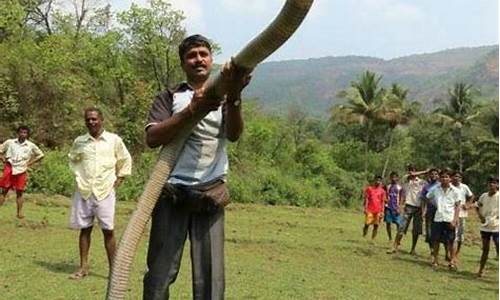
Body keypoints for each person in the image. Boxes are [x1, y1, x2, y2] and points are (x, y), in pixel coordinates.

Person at [142, 34, 252, 299]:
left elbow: (234, 134)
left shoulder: (225, 96)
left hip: (210, 196)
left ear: (211, 60)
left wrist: (235, 95)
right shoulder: (170, 96)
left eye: (203, 53)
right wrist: (191, 110)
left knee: (211, 280)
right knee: (159, 275)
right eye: (192, 55)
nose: (198, 59)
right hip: (172, 194)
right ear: (183, 63)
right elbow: (152, 138)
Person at [68, 108, 132, 280]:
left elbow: (125, 159)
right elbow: (72, 159)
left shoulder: (114, 140)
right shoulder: (80, 141)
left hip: (105, 191)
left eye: (94, 119)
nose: (91, 122)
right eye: (88, 119)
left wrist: (119, 179)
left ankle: (114, 271)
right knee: (85, 229)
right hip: (85, 191)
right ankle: (83, 268)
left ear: (102, 120)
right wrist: (79, 176)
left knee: (108, 231)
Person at [0, 125, 44, 219]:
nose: (23, 134)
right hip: (10, 167)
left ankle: (19, 213)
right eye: (21, 132)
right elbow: (0, 150)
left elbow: (40, 155)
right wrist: (2, 158)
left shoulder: (30, 145)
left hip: (21, 169)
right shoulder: (10, 142)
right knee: (4, 190)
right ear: (18, 133)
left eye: (25, 133)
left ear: (27, 135)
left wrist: (29, 163)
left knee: (20, 192)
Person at [388, 165, 427, 254]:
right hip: (408, 206)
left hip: (418, 208)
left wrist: (424, 210)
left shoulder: (422, 182)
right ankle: (395, 247)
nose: (411, 172)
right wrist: (425, 171)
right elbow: (410, 175)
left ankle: (413, 249)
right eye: (410, 170)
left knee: (416, 230)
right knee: (401, 228)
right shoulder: (406, 179)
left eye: (413, 170)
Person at [426, 169, 460, 269]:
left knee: (451, 241)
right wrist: (436, 205)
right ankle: (435, 260)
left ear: (450, 178)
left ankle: (452, 261)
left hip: (450, 218)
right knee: (435, 240)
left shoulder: (455, 191)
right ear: (440, 178)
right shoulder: (435, 189)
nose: (444, 179)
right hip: (438, 218)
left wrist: (455, 219)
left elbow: (457, 206)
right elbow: (427, 197)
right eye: (442, 177)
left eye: (447, 177)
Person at [476, 176, 499, 277]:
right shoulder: (484, 196)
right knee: (485, 249)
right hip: (485, 225)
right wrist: (480, 216)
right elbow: (478, 206)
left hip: (496, 225)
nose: (492, 185)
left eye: (494, 183)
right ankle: (481, 269)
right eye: (490, 183)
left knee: (498, 244)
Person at [451, 171, 474, 259]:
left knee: (460, 235)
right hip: (451, 214)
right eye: (455, 176)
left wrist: (468, 204)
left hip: (462, 214)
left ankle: (457, 253)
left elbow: (471, 196)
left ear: (461, 179)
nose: (457, 178)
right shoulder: (450, 186)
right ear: (452, 177)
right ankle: (450, 254)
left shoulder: (464, 187)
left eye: (459, 177)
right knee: (452, 235)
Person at [420, 168, 441, 254]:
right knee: (429, 232)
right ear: (429, 175)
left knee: (438, 232)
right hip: (429, 211)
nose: (434, 176)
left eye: (436, 174)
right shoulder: (426, 187)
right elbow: (423, 200)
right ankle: (432, 249)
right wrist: (423, 211)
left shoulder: (440, 185)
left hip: (439, 211)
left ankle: (440, 251)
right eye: (432, 174)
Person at [363, 175, 386, 240]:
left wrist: (383, 211)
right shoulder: (369, 189)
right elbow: (366, 199)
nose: (378, 182)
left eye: (379, 181)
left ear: (381, 182)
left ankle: (373, 239)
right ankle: (364, 236)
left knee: (376, 225)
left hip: (378, 210)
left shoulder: (382, 191)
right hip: (370, 209)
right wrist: (365, 208)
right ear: (374, 180)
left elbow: (383, 202)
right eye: (377, 180)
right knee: (367, 224)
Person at [384, 172, 404, 242]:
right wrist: (385, 200)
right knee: (388, 223)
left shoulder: (400, 187)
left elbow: (401, 198)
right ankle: (390, 238)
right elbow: (385, 195)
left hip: (396, 208)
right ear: (390, 178)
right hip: (388, 207)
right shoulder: (387, 186)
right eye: (392, 177)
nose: (393, 179)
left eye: (395, 177)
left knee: (398, 224)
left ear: (397, 178)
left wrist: (400, 207)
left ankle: (398, 240)